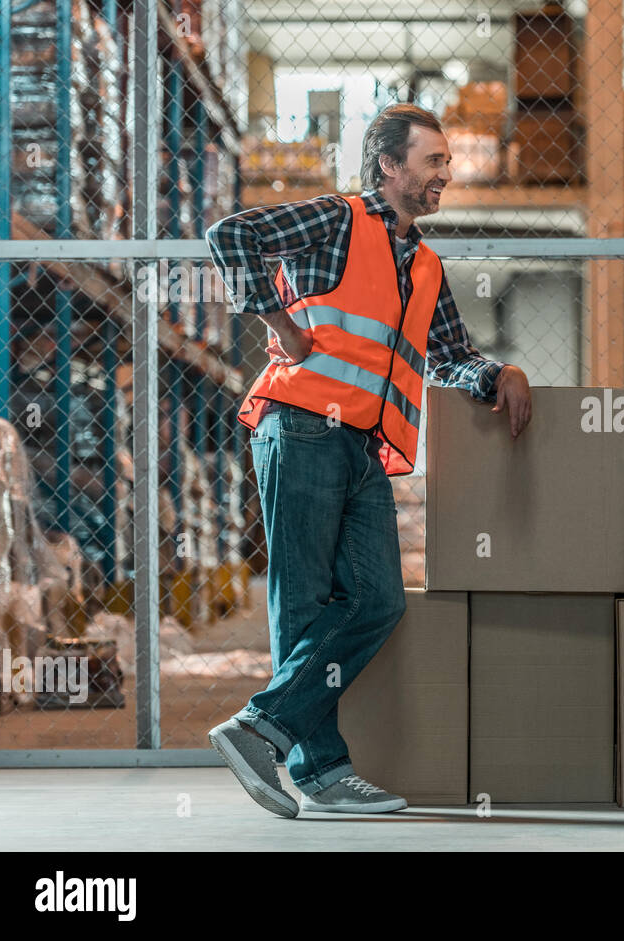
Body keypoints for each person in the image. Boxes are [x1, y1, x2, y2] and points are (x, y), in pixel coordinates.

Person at [204, 103, 532, 818]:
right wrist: (281, 325)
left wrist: (497, 375)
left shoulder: (426, 263)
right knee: (303, 603)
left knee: (378, 598)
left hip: (362, 446)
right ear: (389, 165)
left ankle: (262, 727)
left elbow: (449, 356)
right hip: (301, 426)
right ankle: (319, 768)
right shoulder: (337, 219)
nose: (446, 173)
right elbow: (231, 235)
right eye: (434, 161)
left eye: (447, 162)